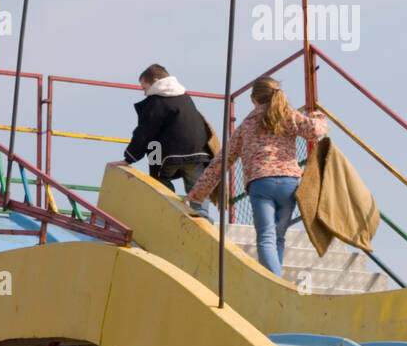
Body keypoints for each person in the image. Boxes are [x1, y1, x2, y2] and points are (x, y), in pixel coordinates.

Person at [185, 76, 327, 275]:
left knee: (266, 236)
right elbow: (315, 130)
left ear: (254, 100)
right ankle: (276, 279)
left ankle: (275, 282)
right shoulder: (289, 116)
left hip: (261, 184)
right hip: (290, 182)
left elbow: (221, 162)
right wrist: (319, 117)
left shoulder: (246, 125)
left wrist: (198, 194)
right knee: (279, 236)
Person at [121, 64, 214, 217]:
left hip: (169, 153)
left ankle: (170, 211)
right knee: (197, 188)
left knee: (160, 180)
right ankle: (202, 216)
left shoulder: (156, 102)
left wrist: (129, 158)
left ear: (156, 81)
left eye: (144, 87)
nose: (144, 93)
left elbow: (145, 132)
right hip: (198, 151)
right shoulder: (185, 97)